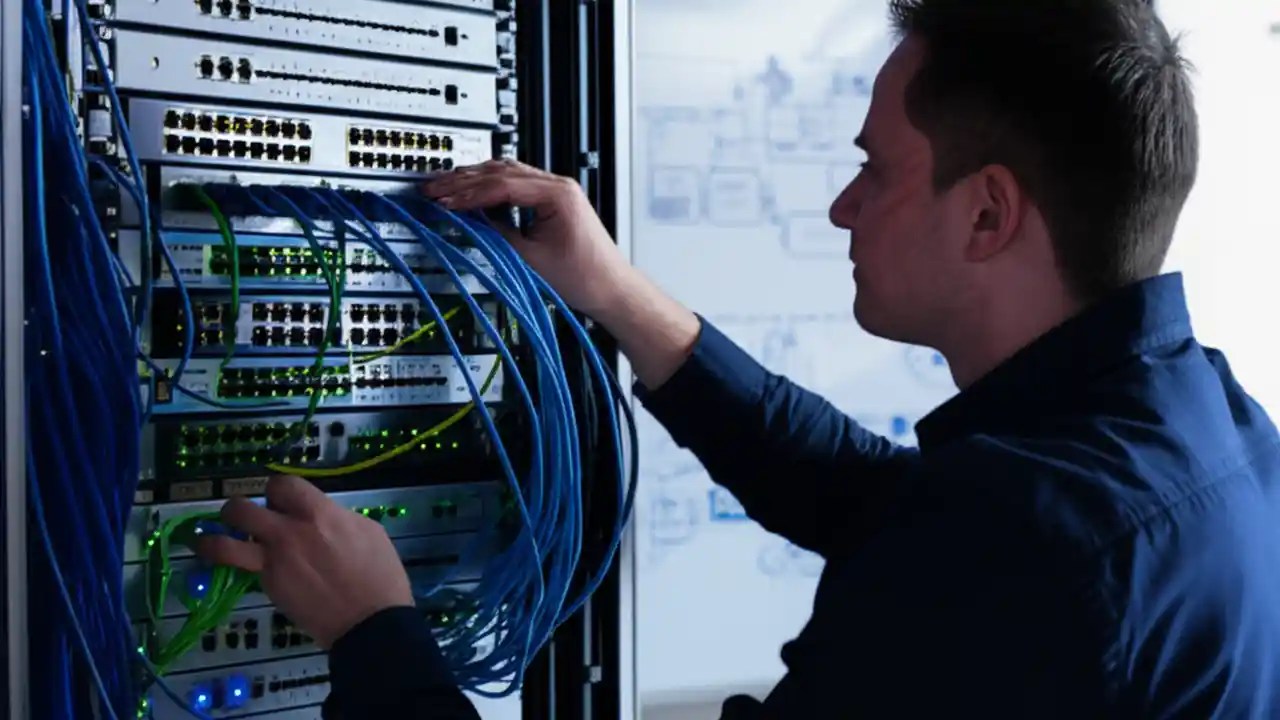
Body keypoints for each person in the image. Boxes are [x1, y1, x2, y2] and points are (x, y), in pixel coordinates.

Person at [196, 0, 1280, 717]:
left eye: (875, 169)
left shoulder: (1028, 545)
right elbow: (873, 502)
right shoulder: (1212, 435)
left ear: (987, 213)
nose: (842, 207)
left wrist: (374, 634)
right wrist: (619, 297)